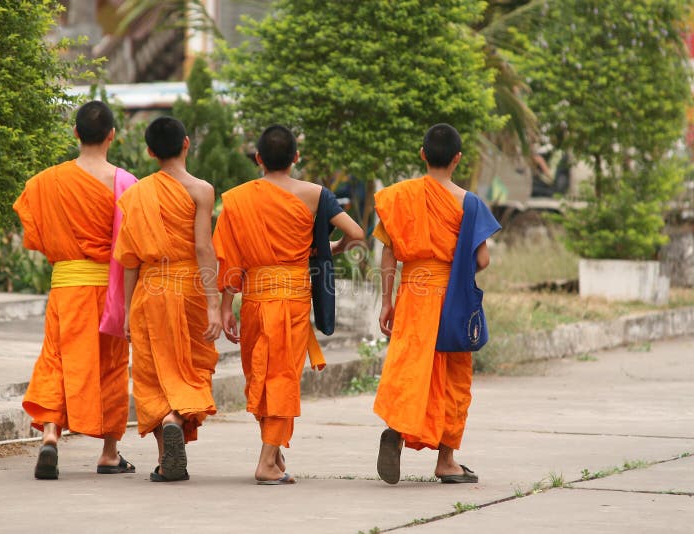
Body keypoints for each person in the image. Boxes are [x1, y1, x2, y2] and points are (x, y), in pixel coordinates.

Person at [213, 125, 364, 484]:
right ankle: (268, 461)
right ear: (296, 158)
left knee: (261, 377)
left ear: (259, 160)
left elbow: (229, 260)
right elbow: (356, 233)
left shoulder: (237, 199)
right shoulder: (316, 195)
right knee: (281, 377)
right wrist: (333, 247)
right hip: (293, 299)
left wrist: (223, 309)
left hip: (253, 299)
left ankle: (272, 452)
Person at [14, 101, 135, 480]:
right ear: (112, 135)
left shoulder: (45, 181)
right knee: (112, 366)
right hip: (111, 290)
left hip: (67, 287)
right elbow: (135, 245)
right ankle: (109, 452)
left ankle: (51, 434)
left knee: (56, 360)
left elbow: (33, 237)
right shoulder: (126, 183)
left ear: (76, 133)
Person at [373, 123, 497, 485]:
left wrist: (386, 302)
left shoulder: (400, 197)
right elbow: (484, 260)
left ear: (423, 154)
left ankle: (397, 428)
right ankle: (446, 460)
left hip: (413, 292)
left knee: (410, 366)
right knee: (454, 376)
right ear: (457, 159)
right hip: (452, 297)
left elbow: (388, 253)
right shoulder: (469, 204)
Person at [114, 117, 222, 482]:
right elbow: (205, 248)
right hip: (190, 285)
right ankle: (178, 417)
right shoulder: (201, 190)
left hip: (151, 289)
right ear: (187, 143)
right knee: (190, 367)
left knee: (154, 374)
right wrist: (213, 303)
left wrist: (128, 311)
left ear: (149, 151)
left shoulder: (137, 195)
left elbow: (129, 261)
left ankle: (166, 460)